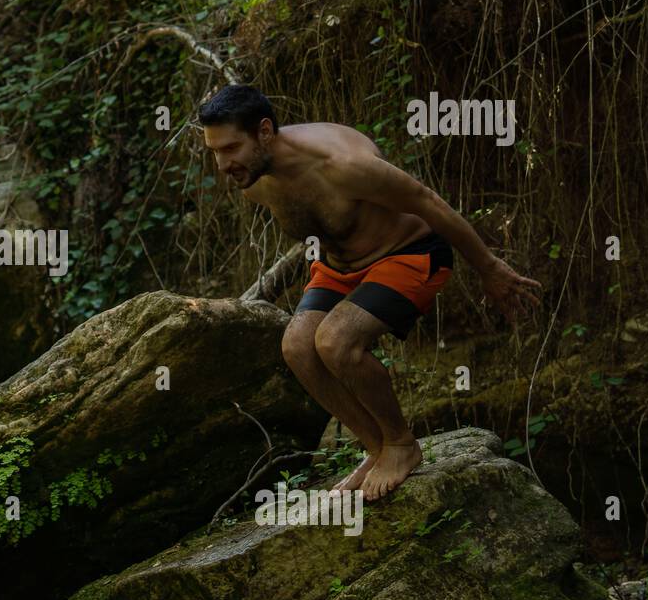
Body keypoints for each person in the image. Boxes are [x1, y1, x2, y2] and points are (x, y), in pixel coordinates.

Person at [198, 84, 542, 500]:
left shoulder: (342, 165)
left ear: (265, 131)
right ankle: (377, 449)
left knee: (335, 341)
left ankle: (401, 444)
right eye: (215, 152)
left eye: (230, 147)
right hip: (338, 267)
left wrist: (490, 269)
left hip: (410, 254)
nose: (222, 163)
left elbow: (428, 202)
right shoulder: (254, 178)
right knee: (297, 347)